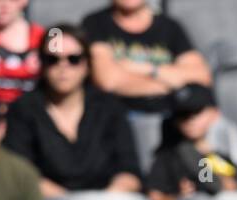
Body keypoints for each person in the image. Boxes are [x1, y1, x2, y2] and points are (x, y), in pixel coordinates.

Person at [3, 24, 141, 197]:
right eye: (52, 59)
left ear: (87, 65)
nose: (63, 66)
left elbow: (130, 171)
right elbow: (20, 174)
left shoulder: (110, 108)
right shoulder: (22, 110)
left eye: (74, 59)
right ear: (42, 64)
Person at [82, 0, 211, 114]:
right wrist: (171, 83)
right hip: (120, 115)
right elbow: (108, 81)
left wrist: (145, 69)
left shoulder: (170, 26)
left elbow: (201, 75)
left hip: (169, 114)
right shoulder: (96, 23)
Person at [145, 83, 237, 200]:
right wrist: (179, 199)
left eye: (196, 112)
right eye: (182, 115)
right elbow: (154, 197)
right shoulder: (169, 155)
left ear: (214, 113)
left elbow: (229, 183)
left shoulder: (219, 156)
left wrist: (231, 184)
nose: (190, 120)